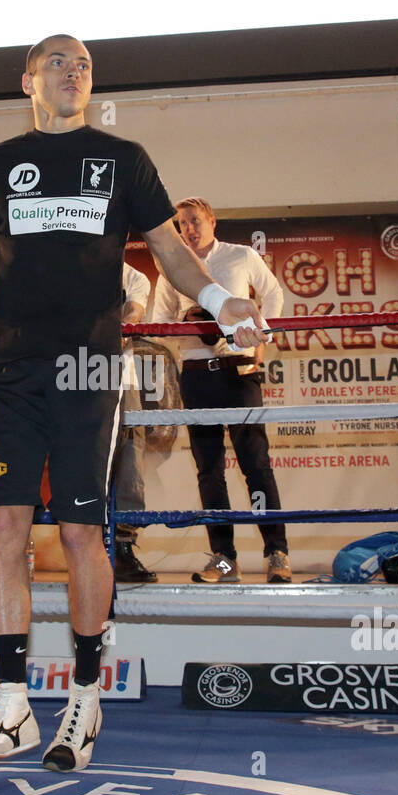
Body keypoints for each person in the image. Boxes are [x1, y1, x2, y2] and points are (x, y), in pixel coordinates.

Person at [0, 34, 267, 771]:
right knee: (4, 523)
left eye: (84, 64)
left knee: (79, 531)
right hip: (9, 371)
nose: (73, 72)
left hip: (86, 369)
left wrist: (220, 299)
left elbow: (168, 248)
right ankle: (11, 706)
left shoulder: (125, 159)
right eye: (57, 63)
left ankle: (84, 696)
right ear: (28, 81)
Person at [151, 197, 290, 583]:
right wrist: (187, 318)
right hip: (197, 373)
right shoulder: (171, 269)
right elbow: (157, 322)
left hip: (239, 369)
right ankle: (224, 558)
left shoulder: (240, 255)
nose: (188, 229)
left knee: (255, 465)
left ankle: (277, 553)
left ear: (212, 221)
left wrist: (264, 332)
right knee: (208, 471)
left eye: (195, 221)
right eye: (181, 224)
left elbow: (273, 292)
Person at [112, 261, 156, 582]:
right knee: (82, 456)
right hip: (70, 369)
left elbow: (134, 312)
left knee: (130, 458)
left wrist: (114, 327)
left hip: (119, 373)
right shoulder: (70, 262)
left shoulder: (134, 277)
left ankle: (124, 548)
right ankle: (84, 545)